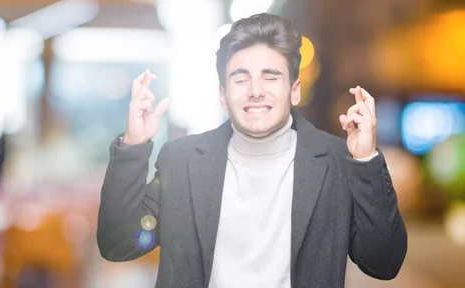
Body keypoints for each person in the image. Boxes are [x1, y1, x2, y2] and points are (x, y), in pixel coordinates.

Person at [97, 12, 407, 288]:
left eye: (270, 77)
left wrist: (365, 160)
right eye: (240, 78)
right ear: (223, 94)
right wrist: (133, 145)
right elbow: (118, 243)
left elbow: (383, 262)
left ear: (295, 90)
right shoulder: (182, 161)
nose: (255, 90)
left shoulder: (335, 162)